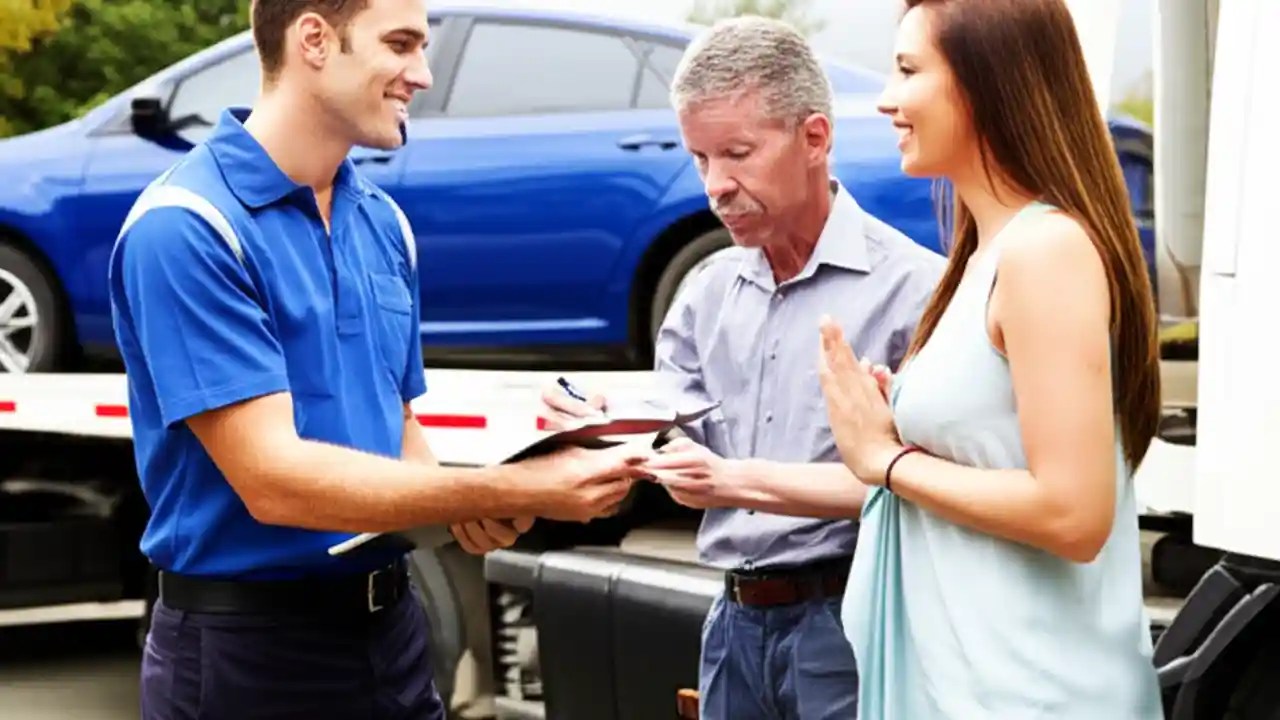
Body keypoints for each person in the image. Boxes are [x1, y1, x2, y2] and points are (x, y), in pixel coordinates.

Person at [108, 1, 649, 718]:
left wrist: (469, 513)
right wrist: (501, 491)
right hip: (248, 656)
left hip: (392, 634)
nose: (422, 74)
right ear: (314, 40)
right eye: (400, 45)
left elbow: (397, 429)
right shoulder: (187, 227)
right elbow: (272, 482)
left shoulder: (383, 222)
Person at [540, 16, 944, 720]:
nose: (715, 186)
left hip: (853, 622)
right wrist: (609, 427)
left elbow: (926, 489)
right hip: (729, 624)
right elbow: (675, 441)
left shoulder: (916, 292)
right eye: (699, 159)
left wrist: (727, 479)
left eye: (737, 153)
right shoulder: (703, 294)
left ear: (815, 138)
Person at [816, 0, 1165, 717]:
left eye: (909, 70)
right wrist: (903, 428)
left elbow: (1074, 513)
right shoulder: (988, 252)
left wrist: (888, 461)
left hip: (1022, 694)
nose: (885, 98)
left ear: (989, 82)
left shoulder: (1044, 250)